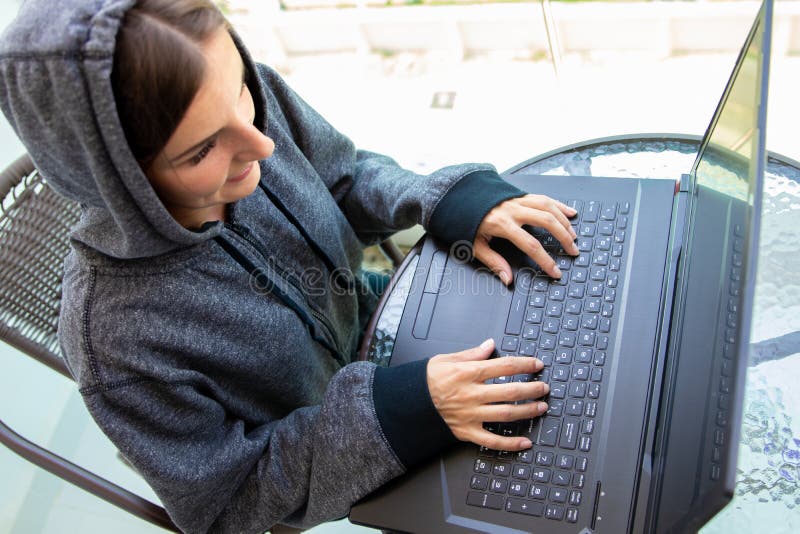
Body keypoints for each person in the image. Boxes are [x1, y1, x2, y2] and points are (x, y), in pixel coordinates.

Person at [0, 0, 580, 532]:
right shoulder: (117, 342)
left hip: (382, 325)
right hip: (342, 451)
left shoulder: (241, 109)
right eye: (202, 150)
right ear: (117, 184)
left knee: (578, 354)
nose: (261, 145)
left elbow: (344, 175)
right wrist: (397, 413)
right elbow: (229, 503)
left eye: (242, 94)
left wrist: (441, 199)